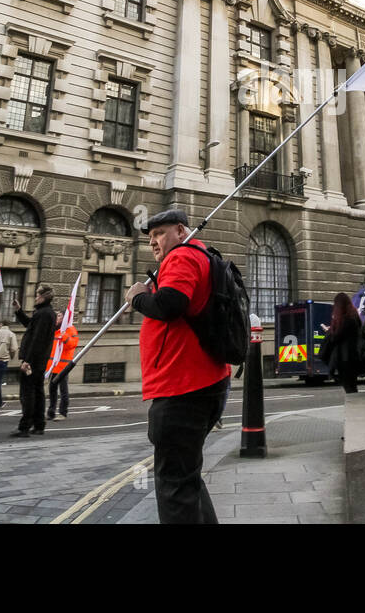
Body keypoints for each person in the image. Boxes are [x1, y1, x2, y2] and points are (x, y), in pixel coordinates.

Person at [125, 209, 229, 524]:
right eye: (150, 237)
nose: (153, 242)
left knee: (175, 489)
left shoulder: (183, 256)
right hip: (196, 383)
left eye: (159, 234)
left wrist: (138, 298)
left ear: (181, 231)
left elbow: (170, 305)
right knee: (185, 478)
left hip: (183, 388)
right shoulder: (197, 256)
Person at [11, 286, 56, 437]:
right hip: (39, 360)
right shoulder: (45, 313)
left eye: (37, 294)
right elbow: (30, 325)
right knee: (37, 392)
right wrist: (19, 311)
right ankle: (39, 425)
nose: (35, 297)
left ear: (43, 297)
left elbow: (37, 340)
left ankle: (24, 427)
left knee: (28, 394)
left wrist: (27, 361)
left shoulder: (44, 314)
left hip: (34, 361)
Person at [319, 292, 365, 394]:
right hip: (353, 357)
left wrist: (329, 331)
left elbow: (335, 338)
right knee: (352, 386)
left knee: (349, 388)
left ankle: (354, 407)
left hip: (345, 359)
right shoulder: (354, 317)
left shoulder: (346, 320)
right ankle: (354, 406)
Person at [46, 323, 79, 421]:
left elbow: (73, 344)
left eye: (59, 316)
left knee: (63, 389)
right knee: (52, 388)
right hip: (54, 366)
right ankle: (51, 412)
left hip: (63, 366)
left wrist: (64, 335)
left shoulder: (70, 329)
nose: (56, 318)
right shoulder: (55, 330)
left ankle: (62, 413)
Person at [0, 318, 18, 409]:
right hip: (2, 361)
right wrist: (12, 356)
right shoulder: (11, 334)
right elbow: (14, 349)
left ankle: (0, 402)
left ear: (1, 324)